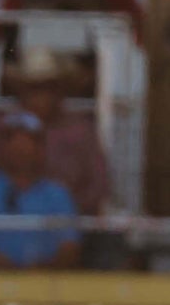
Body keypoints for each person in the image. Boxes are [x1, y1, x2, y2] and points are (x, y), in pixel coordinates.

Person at [0, 111, 80, 270]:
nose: (20, 146)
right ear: (0, 146)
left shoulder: (58, 194)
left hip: (43, 287)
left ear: (41, 149)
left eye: (29, 140)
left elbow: (69, 247)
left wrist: (44, 270)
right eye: (11, 139)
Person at [7, 47, 108, 214]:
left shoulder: (82, 130)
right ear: (23, 90)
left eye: (49, 87)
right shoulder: (7, 126)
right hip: (16, 220)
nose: (42, 96)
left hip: (73, 222)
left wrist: (65, 210)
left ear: (61, 90)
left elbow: (99, 184)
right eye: (35, 88)